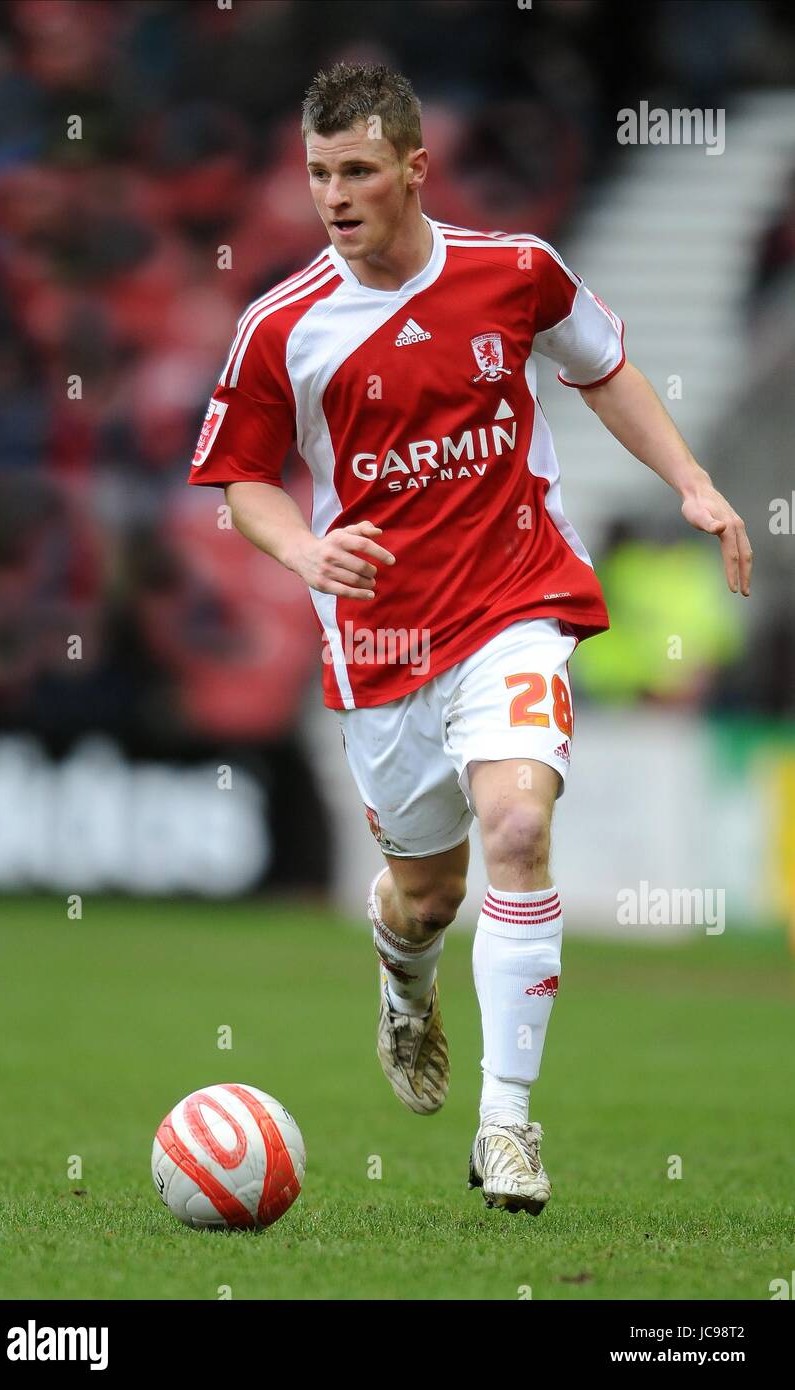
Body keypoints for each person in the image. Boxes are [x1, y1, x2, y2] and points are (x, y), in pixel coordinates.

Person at [188, 62, 752, 1215]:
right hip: (382, 644)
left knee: (516, 822)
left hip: (514, 601)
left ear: (412, 168)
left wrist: (693, 482)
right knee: (425, 895)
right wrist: (304, 553)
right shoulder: (282, 328)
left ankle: (506, 1127)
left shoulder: (516, 272)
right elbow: (241, 478)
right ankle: (404, 982)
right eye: (316, 173)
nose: (334, 195)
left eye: (355, 170)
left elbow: (603, 371)